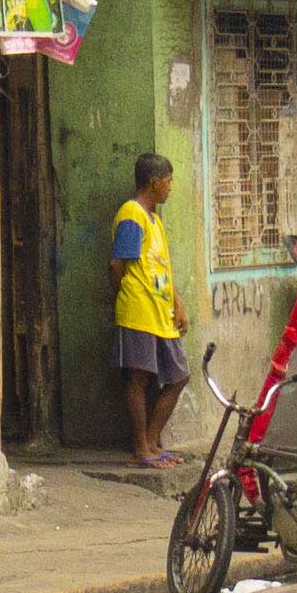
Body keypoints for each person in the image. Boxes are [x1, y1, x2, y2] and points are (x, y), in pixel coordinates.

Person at [104, 154, 188, 472]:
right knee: (138, 378)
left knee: (179, 376)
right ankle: (141, 447)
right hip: (139, 309)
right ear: (154, 183)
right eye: (168, 180)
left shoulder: (155, 220)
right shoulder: (132, 215)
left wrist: (177, 304)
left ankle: (152, 441)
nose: (170, 187)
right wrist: (122, 298)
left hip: (160, 311)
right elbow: (117, 264)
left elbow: (162, 267)